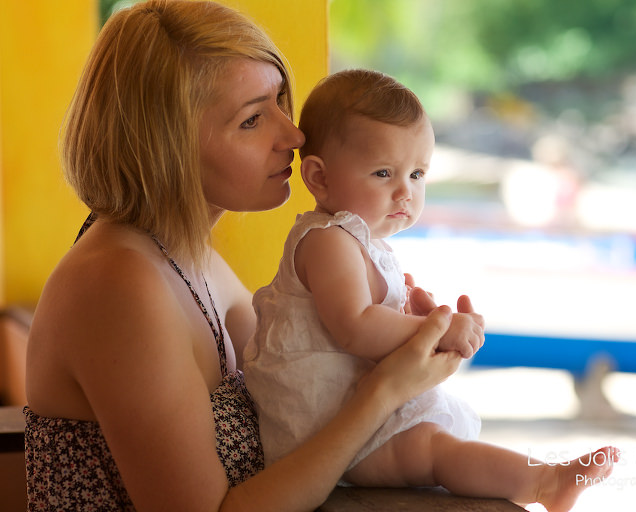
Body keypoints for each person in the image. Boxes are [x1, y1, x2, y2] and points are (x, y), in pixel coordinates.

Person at [23, 2, 464, 511]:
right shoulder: (118, 284)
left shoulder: (185, 256)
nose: (294, 135)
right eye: (253, 119)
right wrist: (383, 393)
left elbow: (302, 385)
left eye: (280, 99)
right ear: (168, 145)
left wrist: (403, 332)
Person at [244, 69, 619, 511]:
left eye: (418, 174)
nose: (405, 192)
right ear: (320, 178)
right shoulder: (328, 240)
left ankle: (544, 480)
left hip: (353, 410)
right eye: (384, 173)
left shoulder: (361, 240)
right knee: (434, 452)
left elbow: (368, 327)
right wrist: (434, 331)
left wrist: (415, 317)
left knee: (436, 445)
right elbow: (355, 328)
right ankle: (545, 482)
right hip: (320, 428)